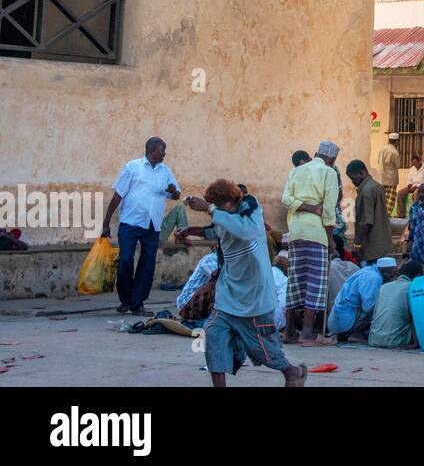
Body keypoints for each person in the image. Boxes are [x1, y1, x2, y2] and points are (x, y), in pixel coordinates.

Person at [183, 180, 307, 388]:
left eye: (219, 207)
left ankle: (292, 372)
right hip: (229, 294)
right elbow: (215, 232)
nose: (216, 213)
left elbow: (245, 231)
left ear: (231, 202)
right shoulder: (223, 218)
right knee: (213, 336)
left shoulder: (251, 210)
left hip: (254, 296)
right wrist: (189, 231)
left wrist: (210, 208)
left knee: (262, 348)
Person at [102, 137, 180, 317]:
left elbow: (176, 194)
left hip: (153, 224)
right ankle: (126, 299)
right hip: (130, 222)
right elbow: (117, 196)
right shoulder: (132, 167)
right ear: (152, 149)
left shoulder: (165, 171)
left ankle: (138, 303)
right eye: (162, 150)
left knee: (147, 264)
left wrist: (173, 192)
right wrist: (106, 224)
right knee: (125, 261)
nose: (164, 154)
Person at [281, 145, 339, 346]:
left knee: (295, 281)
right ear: (332, 159)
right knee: (315, 282)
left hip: (295, 232)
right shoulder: (329, 172)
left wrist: (303, 206)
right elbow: (329, 209)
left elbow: (286, 199)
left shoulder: (296, 171)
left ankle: (289, 332)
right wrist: (330, 238)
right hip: (317, 234)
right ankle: (307, 332)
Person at [327, 256, 398, 341]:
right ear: (383, 271)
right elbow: (369, 307)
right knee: (380, 308)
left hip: (339, 321)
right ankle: (356, 334)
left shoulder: (368, 271)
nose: (393, 278)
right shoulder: (373, 278)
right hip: (345, 323)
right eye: (391, 275)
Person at [347, 159, 394, 264]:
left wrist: (357, 245)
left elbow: (366, 222)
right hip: (382, 245)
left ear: (362, 173)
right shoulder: (377, 186)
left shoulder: (366, 191)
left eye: (353, 179)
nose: (353, 182)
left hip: (371, 248)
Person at [369, 258, 422, 349]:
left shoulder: (384, 287)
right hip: (396, 340)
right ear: (418, 275)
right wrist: (415, 344)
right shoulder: (412, 287)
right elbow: (415, 316)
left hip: (374, 339)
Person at [378, 133, 402, 215]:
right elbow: (398, 165)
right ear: (396, 141)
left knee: (382, 197)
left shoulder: (382, 149)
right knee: (390, 198)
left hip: (381, 176)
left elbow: (378, 161)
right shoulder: (394, 152)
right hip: (391, 178)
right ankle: (387, 215)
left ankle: (380, 214)